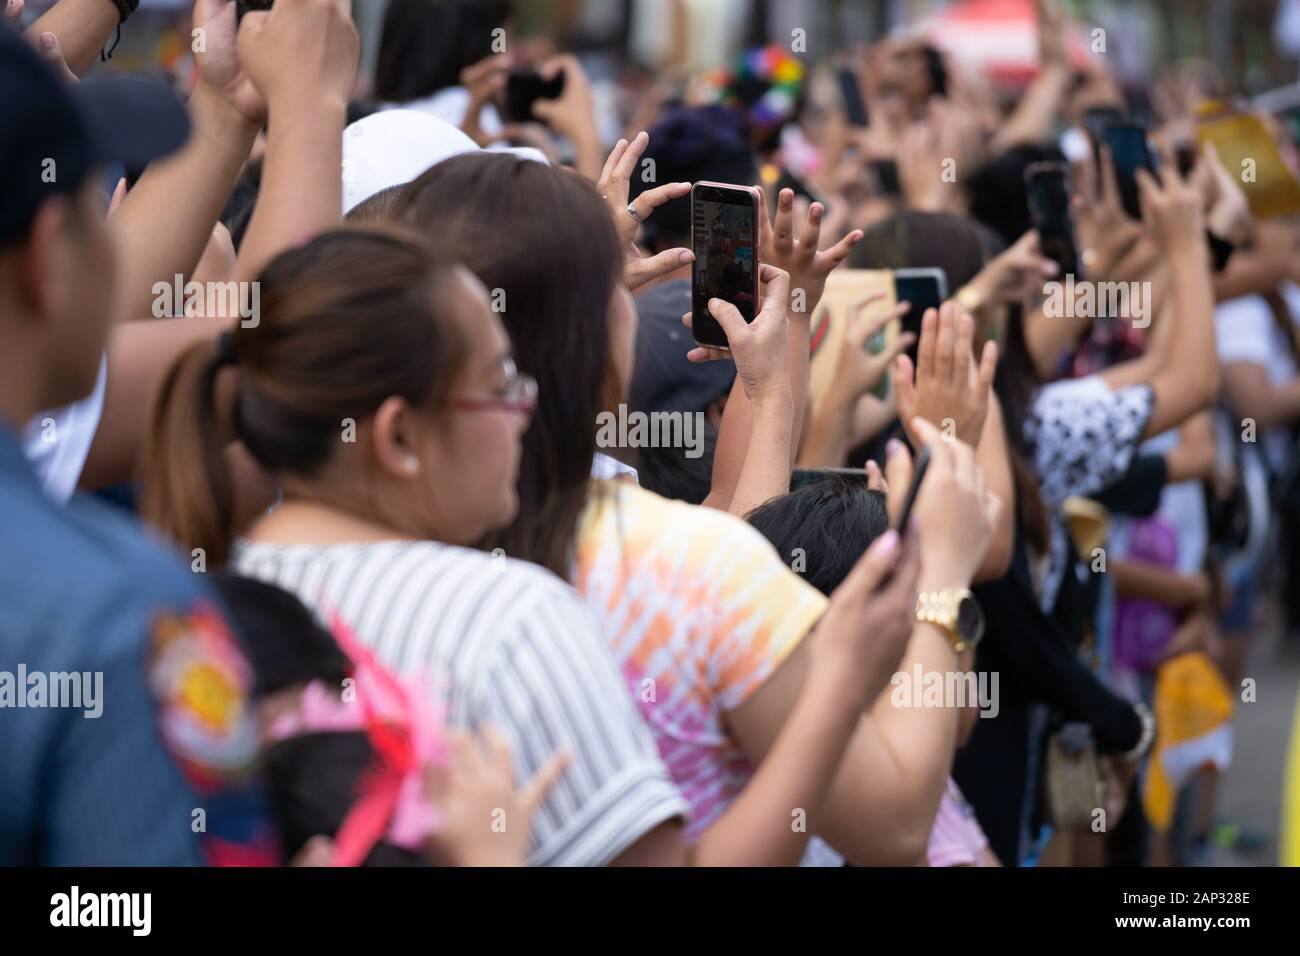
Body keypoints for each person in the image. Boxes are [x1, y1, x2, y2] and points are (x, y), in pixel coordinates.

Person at [397, 151, 1000, 866]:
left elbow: (733, 528)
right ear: (603, 328)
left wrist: (768, 377)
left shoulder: (371, 539)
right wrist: (939, 578)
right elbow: (897, 826)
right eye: (614, 288)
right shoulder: (679, 566)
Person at [141, 226, 691, 867]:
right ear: (398, 437)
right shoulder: (512, 620)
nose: (526, 410)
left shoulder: (174, 614)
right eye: (501, 385)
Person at [0, 21, 276, 865]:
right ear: (51, 254)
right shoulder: (125, 614)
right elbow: (279, 347)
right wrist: (310, 107)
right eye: (99, 208)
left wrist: (230, 110)